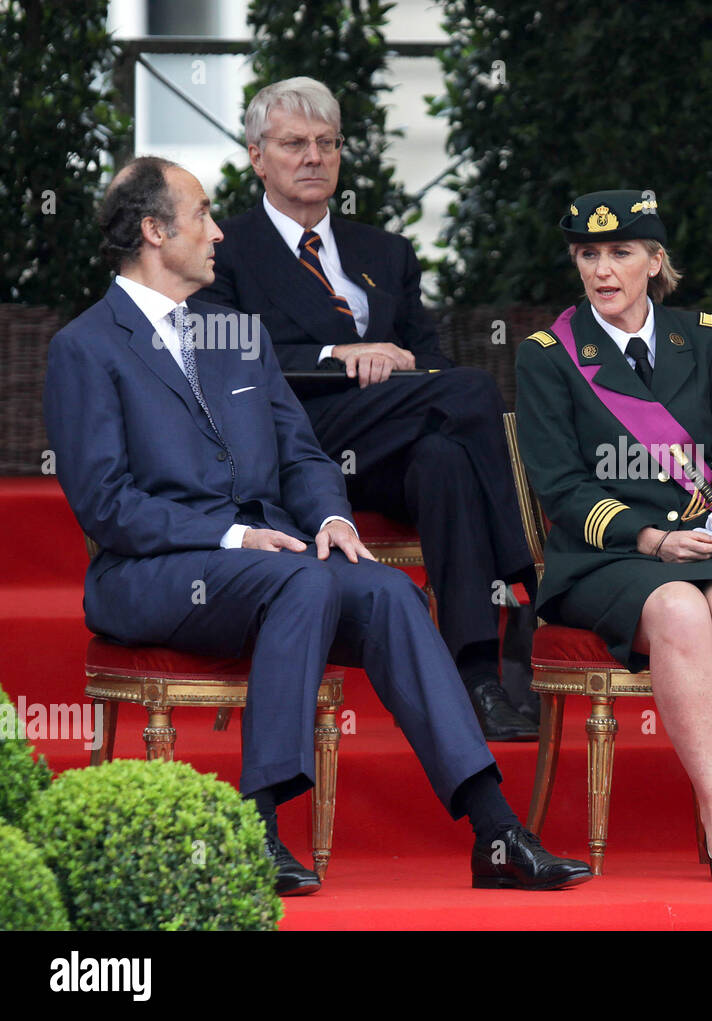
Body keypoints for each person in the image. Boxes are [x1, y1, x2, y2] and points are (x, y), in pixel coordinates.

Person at [44, 156, 592, 895]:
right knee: (297, 579)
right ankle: (254, 827)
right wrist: (235, 538)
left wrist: (330, 514)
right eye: (203, 215)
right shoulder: (85, 346)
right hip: (157, 570)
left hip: (274, 565)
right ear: (152, 231)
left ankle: (495, 830)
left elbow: (301, 451)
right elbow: (106, 504)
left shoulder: (238, 331)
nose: (217, 233)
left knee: (390, 593)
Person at [193, 77, 538, 741]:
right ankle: (527, 586)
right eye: (294, 143)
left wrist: (399, 363)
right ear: (257, 156)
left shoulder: (386, 251)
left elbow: (430, 358)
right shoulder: (223, 248)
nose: (313, 156)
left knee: (445, 457)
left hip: (396, 438)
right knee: (473, 393)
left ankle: (475, 679)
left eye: (327, 143)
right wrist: (340, 355)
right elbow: (229, 357)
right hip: (300, 437)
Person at [514, 190, 712, 882]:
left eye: (621, 252)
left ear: (654, 260)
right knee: (676, 606)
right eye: (589, 254)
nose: (603, 270)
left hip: (709, 545)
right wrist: (650, 538)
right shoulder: (550, 354)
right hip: (604, 557)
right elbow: (561, 487)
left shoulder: (702, 337)